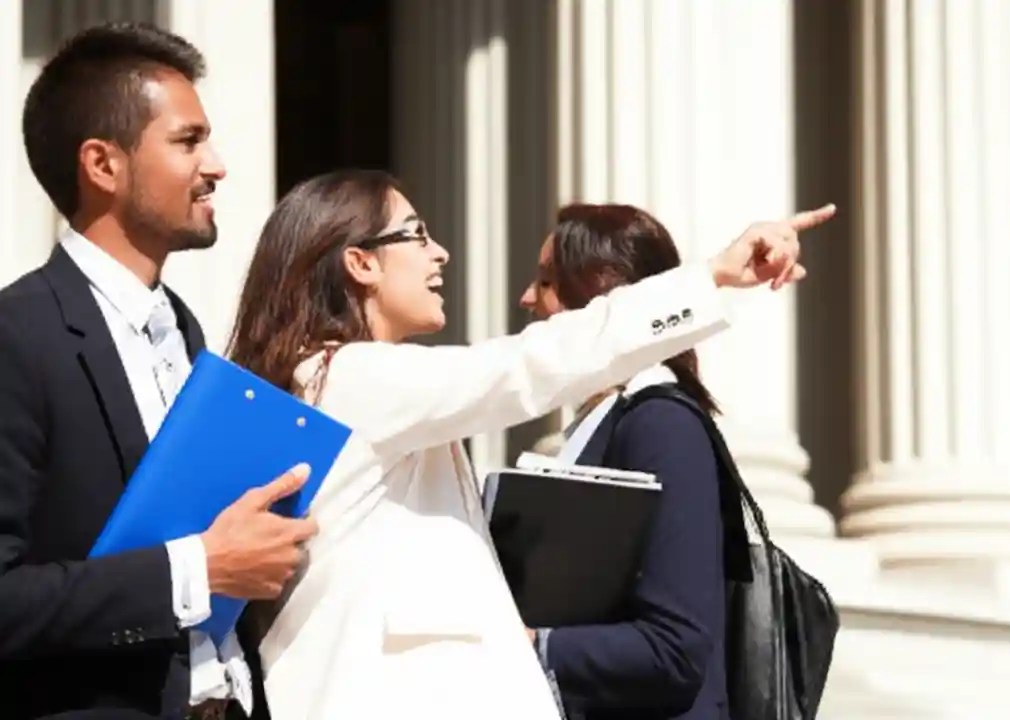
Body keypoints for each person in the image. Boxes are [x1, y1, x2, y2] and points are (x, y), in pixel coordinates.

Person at [224, 168, 832, 719]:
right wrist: (713, 276)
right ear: (361, 264)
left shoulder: (344, 390)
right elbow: (533, 364)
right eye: (417, 234)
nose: (441, 252)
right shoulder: (357, 378)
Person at [0, 23, 317, 720]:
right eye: (187, 141)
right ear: (102, 165)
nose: (217, 165)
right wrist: (196, 572)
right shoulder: (17, 336)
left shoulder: (183, 327)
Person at [518, 204, 731, 720]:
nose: (527, 299)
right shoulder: (603, 426)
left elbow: (675, 645)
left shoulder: (661, 424)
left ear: (601, 299)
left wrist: (530, 642)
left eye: (546, 282)